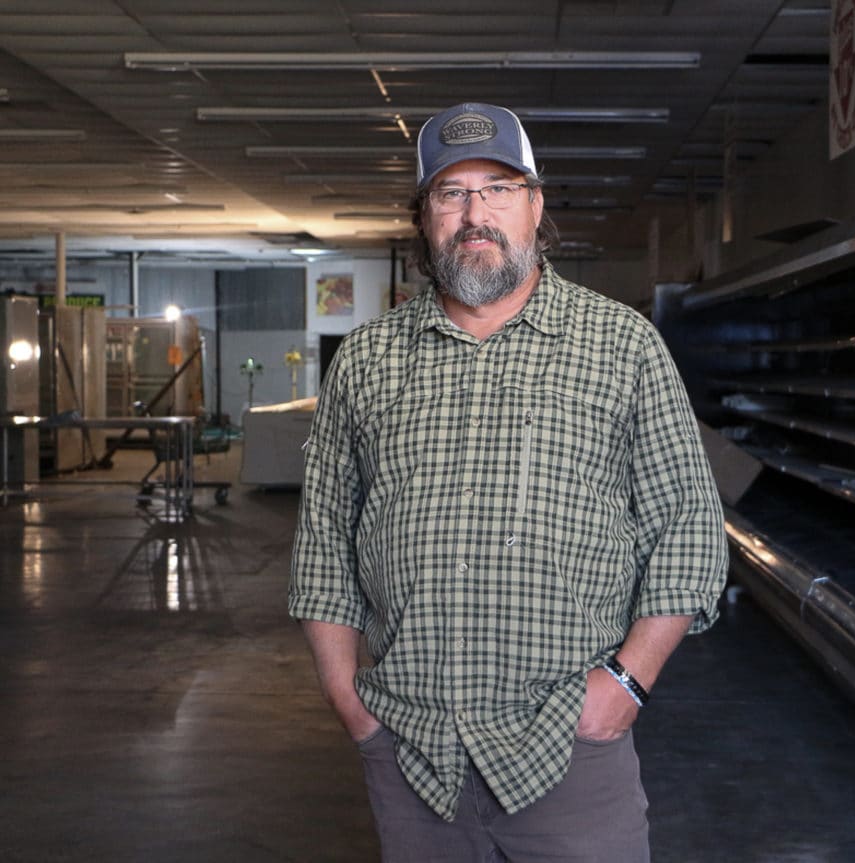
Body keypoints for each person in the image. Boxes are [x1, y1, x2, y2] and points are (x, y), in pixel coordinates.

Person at [289, 102, 729, 863]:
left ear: (535, 204)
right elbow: (325, 539)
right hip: (411, 752)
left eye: (497, 187)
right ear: (424, 217)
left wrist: (626, 683)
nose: (474, 214)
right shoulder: (365, 361)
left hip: (568, 747)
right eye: (450, 193)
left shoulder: (622, 346)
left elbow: (688, 525)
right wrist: (347, 699)